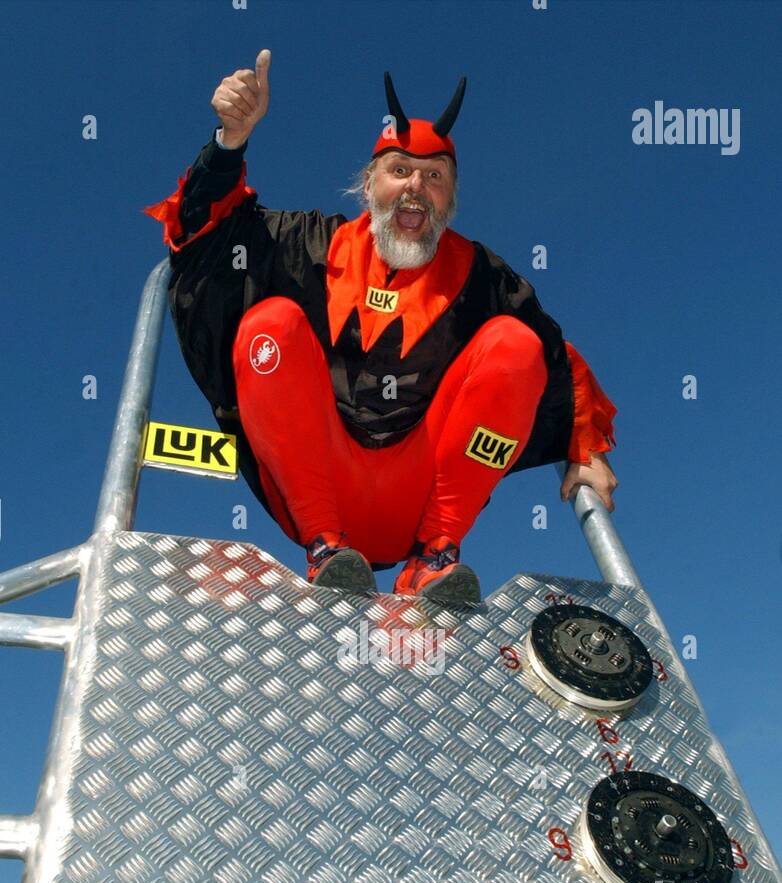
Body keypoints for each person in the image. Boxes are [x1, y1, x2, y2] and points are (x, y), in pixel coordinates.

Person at [145, 50, 618, 606]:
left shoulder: (483, 278)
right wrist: (230, 143)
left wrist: (586, 446)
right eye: (400, 171)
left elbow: (556, 359)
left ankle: (435, 557)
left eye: (435, 176)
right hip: (314, 486)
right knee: (270, 323)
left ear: (451, 197)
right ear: (369, 183)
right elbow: (204, 230)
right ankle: (325, 547)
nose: (416, 185)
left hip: (420, 498)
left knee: (517, 345)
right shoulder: (307, 243)